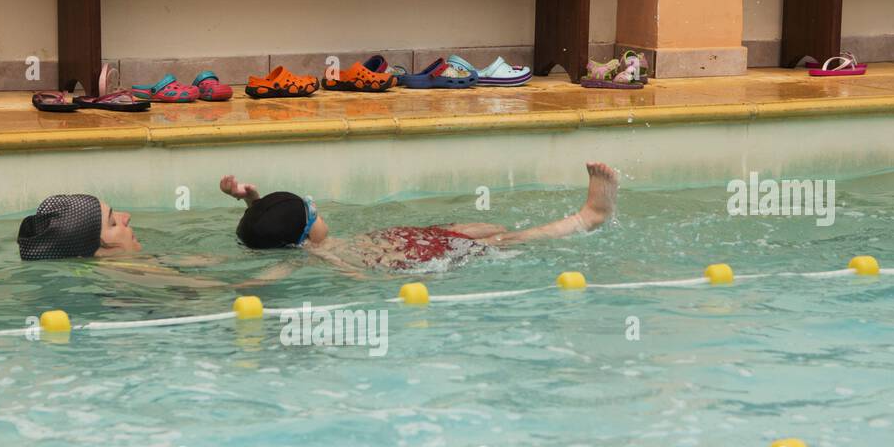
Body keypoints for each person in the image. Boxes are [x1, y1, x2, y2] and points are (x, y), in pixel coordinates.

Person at [221, 162, 619, 276]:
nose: (320, 213)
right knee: (503, 240)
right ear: (306, 236)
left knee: (486, 228)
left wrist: (250, 200)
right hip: (414, 257)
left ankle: (584, 218)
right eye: (315, 213)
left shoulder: (301, 241)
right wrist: (341, 266)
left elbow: (271, 233)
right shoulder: (319, 253)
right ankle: (589, 217)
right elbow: (356, 277)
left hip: (408, 239)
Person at [16, 193, 221, 288]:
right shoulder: (132, 273)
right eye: (113, 223)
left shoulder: (103, 272)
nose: (127, 216)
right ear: (98, 252)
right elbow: (221, 290)